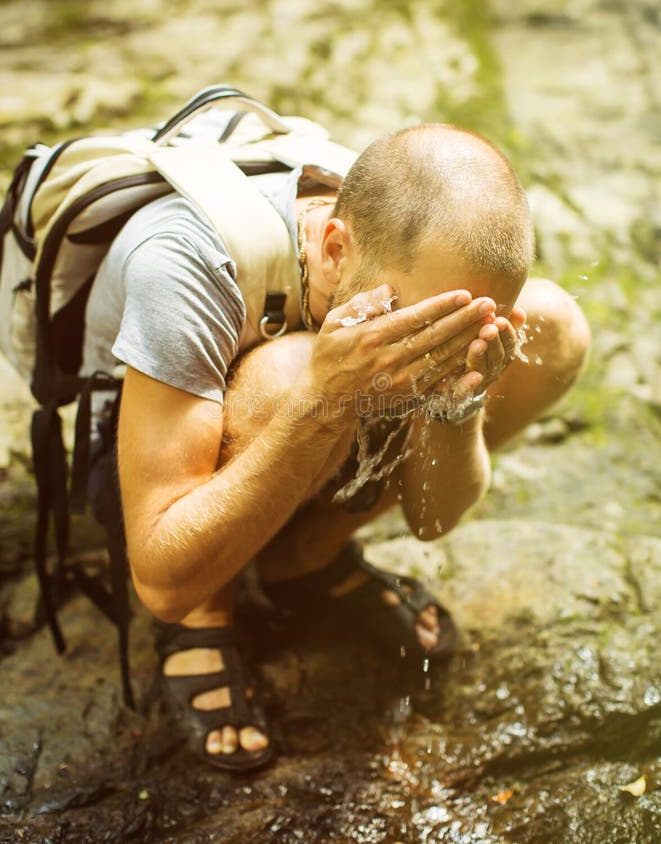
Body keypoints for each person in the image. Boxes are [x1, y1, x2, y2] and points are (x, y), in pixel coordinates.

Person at [83, 123, 590, 771]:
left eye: (465, 326)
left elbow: (431, 518)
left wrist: (457, 400)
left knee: (553, 328)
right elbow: (159, 580)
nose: (441, 349)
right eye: (425, 325)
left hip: (310, 397)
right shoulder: (184, 265)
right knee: (293, 373)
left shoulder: (421, 255)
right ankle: (212, 614)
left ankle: (305, 554)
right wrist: (322, 401)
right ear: (332, 247)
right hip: (149, 435)